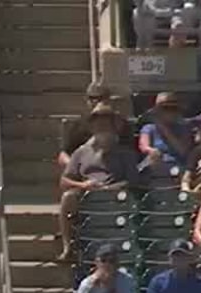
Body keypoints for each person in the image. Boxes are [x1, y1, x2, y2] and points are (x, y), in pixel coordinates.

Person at [58, 103, 140, 262]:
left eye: (106, 122)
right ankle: (68, 248)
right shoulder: (81, 152)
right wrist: (84, 185)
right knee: (68, 197)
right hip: (86, 193)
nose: (102, 126)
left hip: (115, 195)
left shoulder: (125, 153)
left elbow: (133, 181)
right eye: (98, 122)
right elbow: (64, 180)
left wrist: (109, 188)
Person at [137, 92, 192, 169]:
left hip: (178, 167)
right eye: (165, 108)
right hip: (155, 166)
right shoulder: (149, 128)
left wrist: (163, 128)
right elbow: (144, 146)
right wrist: (151, 151)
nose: (170, 112)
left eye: (174, 108)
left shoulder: (184, 128)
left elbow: (182, 151)